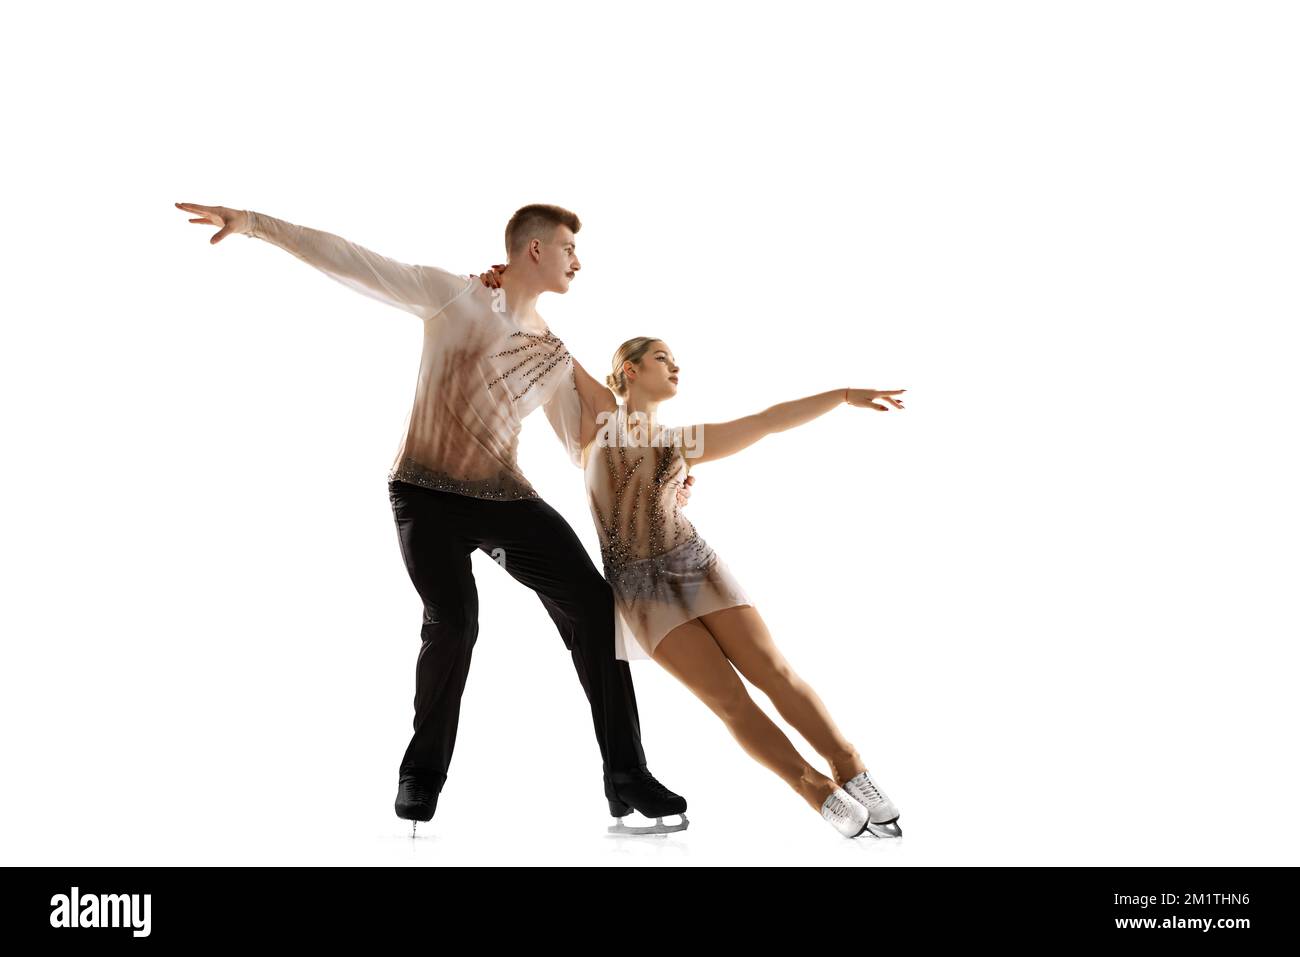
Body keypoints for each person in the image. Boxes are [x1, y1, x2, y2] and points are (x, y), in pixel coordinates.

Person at [174, 202, 689, 835]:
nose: (577, 260)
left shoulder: (550, 353)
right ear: (534, 251)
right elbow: (353, 261)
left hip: (503, 496)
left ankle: (626, 774)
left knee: (592, 604)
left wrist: (657, 476)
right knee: (454, 623)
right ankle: (421, 777)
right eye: (568, 248)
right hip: (423, 494)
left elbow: (584, 444)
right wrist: (256, 224)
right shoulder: (454, 297)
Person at [475, 276, 907, 838]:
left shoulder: (682, 443)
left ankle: (850, 766)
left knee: (773, 672)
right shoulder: (596, 423)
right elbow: (545, 342)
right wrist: (499, 290)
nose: (675, 367)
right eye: (662, 358)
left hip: (695, 564)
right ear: (629, 369)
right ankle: (815, 790)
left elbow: (767, 421)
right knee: (729, 700)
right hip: (639, 590)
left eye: (675, 360)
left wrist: (843, 395)